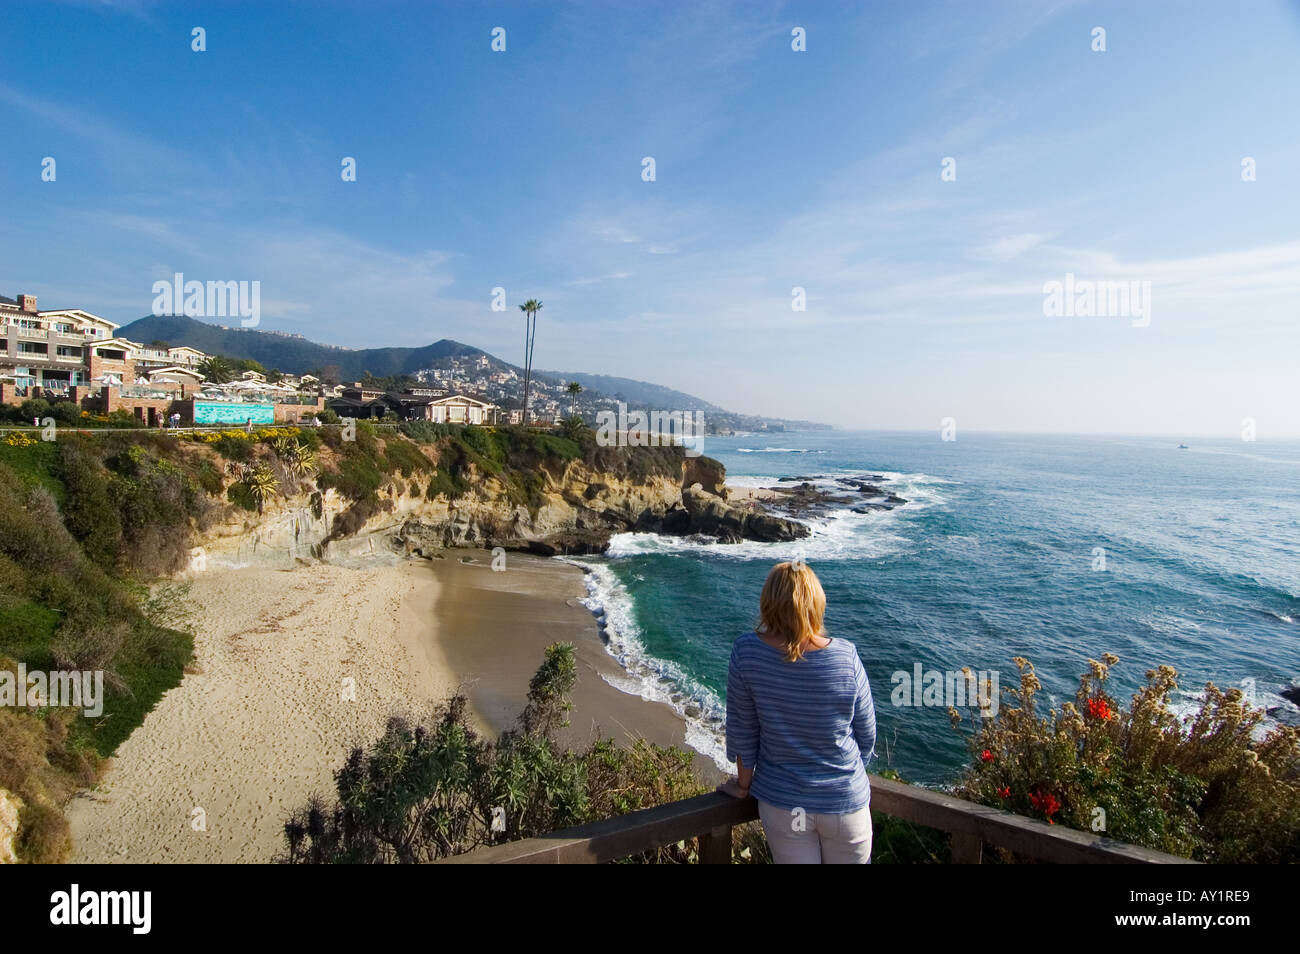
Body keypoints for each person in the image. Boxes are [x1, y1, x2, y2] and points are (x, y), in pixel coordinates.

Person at [718, 560, 876, 863]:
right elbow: (866, 734)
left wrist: (742, 785)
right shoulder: (846, 655)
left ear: (768, 603)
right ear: (816, 603)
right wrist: (847, 775)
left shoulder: (747, 652)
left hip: (786, 806)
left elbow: (743, 731)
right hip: (845, 803)